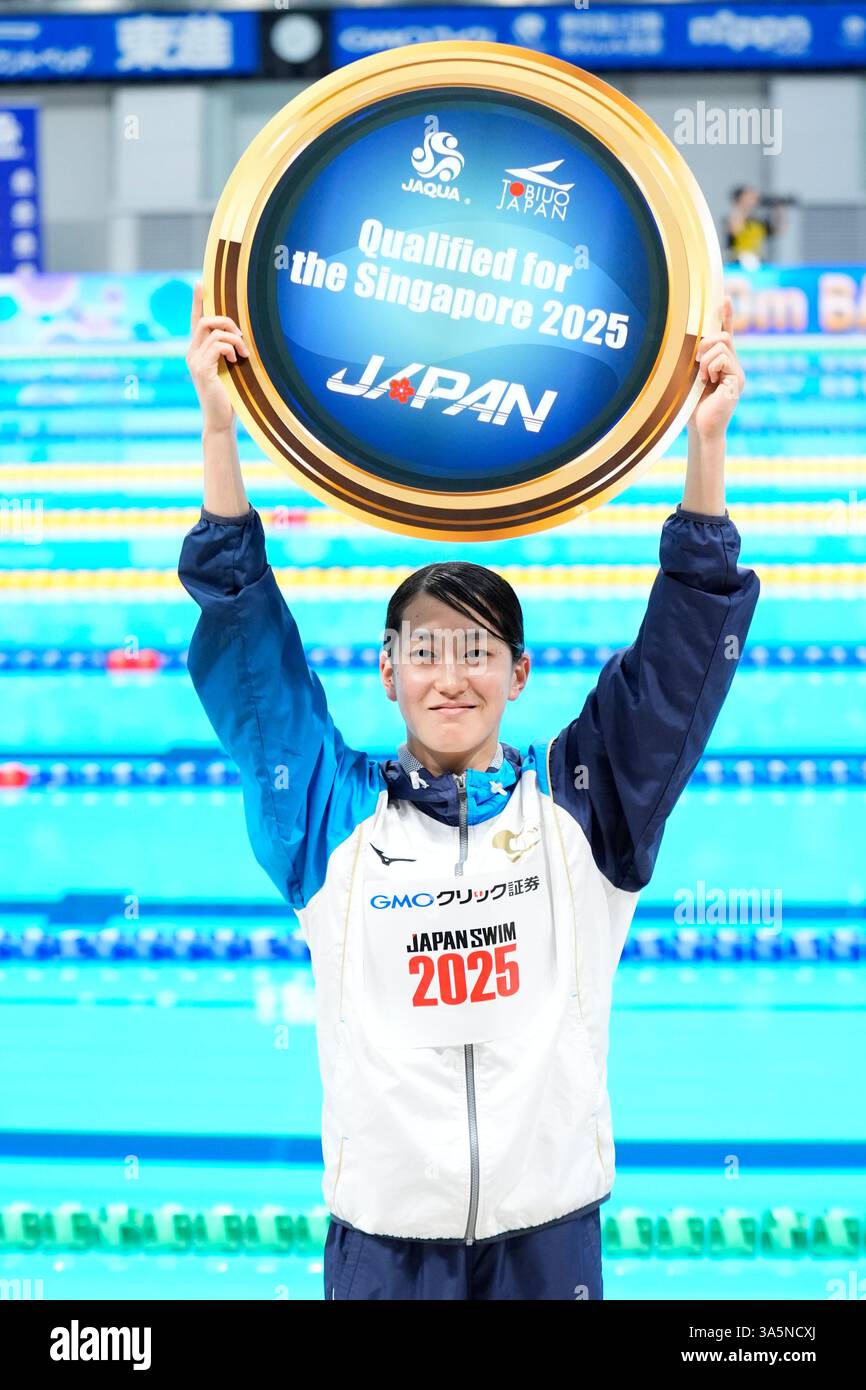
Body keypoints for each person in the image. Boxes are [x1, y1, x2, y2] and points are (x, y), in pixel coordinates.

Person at [178, 281, 759, 1300]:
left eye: (476, 651)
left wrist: (703, 451)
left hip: (548, 1242)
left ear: (518, 673)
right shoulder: (330, 820)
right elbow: (251, 659)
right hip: (382, 1251)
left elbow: (675, 668)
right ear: (388, 670)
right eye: (426, 652)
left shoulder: (582, 811)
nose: (451, 675)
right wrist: (218, 427)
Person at [724, 185, 787, 269]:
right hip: (738, 264)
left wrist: (779, 209)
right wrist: (742, 204)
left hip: (757, 263)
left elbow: (778, 230)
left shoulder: (758, 222)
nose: (753, 199)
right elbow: (735, 229)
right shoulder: (733, 218)